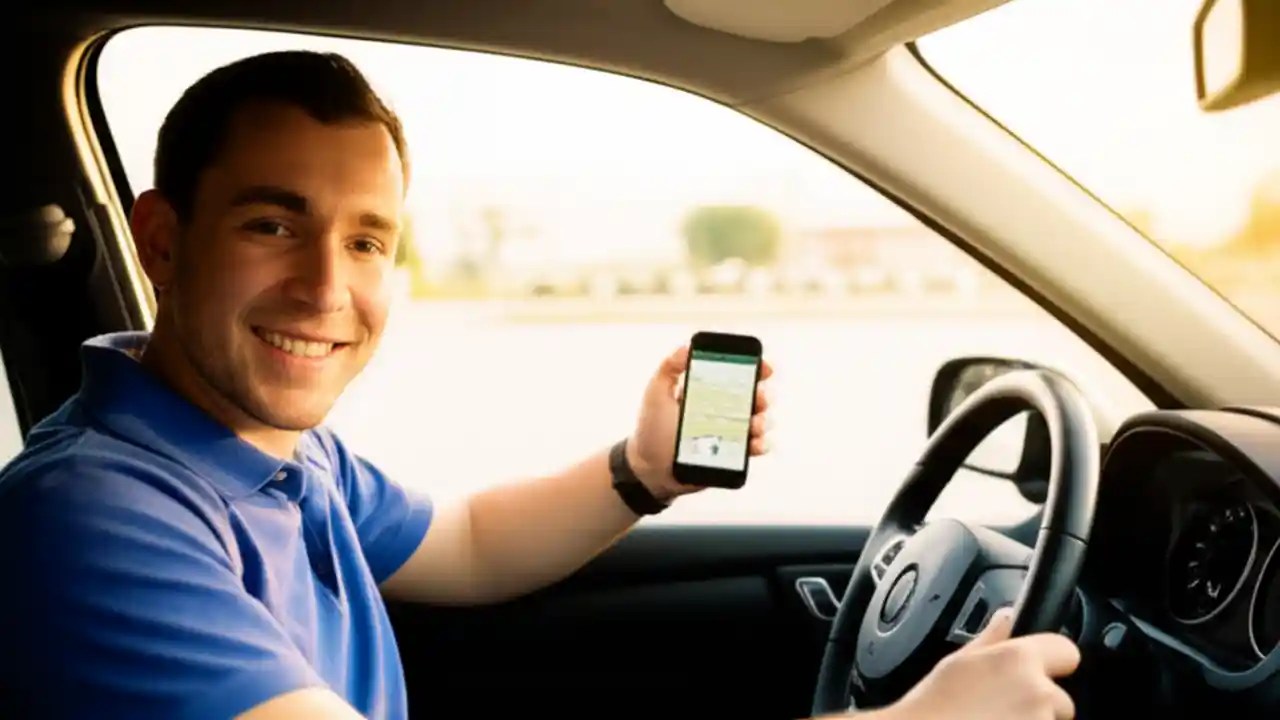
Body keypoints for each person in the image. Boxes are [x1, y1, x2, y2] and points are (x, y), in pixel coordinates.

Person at [0, 50, 1077, 719]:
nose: (326, 288)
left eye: (367, 242)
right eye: (273, 226)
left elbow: (468, 543)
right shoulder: (92, 519)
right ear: (162, 240)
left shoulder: (272, 451)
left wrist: (642, 472)